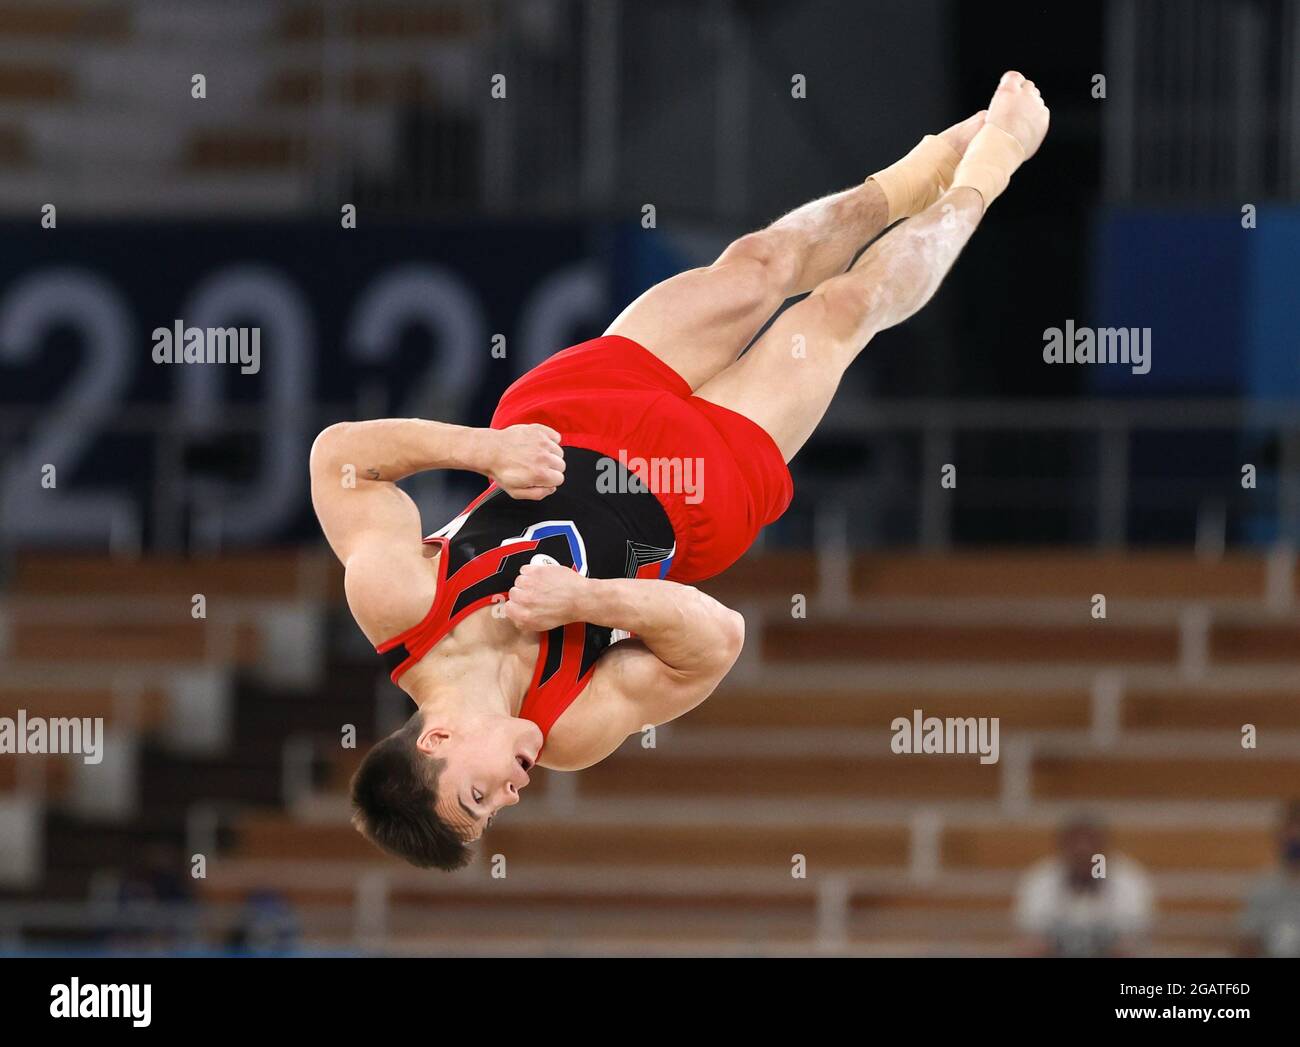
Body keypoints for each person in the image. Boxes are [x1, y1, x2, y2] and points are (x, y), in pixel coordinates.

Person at [309, 72, 1050, 869]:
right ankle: (988, 171)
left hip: (575, 414)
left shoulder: (399, 605)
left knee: (759, 264)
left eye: (477, 796)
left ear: (440, 737)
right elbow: (717, 642)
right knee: (837, 315)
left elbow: (340, 460)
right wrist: (585, 599)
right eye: (491, 817)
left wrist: (482, 451)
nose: (511, 796)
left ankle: (923, 168)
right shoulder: (571, 729)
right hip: (691, 497)